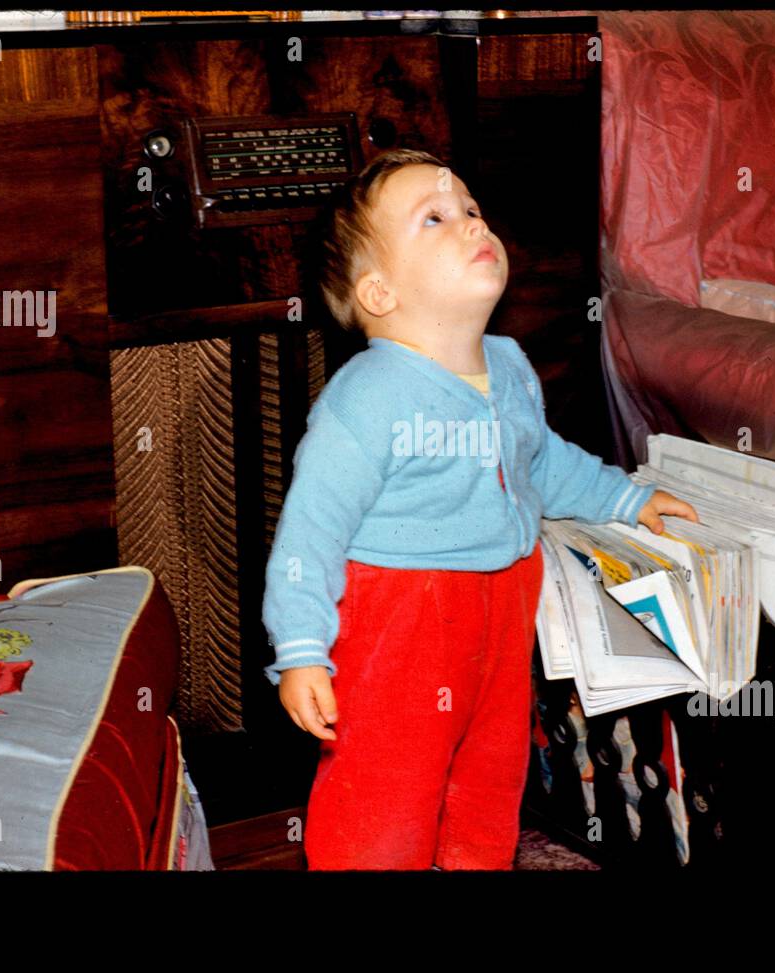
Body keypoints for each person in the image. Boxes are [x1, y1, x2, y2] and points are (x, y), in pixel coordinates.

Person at [261, 148, 698, 869]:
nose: (470, 223)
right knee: (385, 790)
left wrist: (628, 497)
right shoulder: (366, 397)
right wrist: (302, 648)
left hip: (502, 610)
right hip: (399, 623)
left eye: (470, 208)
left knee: (490, 777)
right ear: (378, 293)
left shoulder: (511, 366)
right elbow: (309, 532)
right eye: (434, 218)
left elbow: (544, 465)